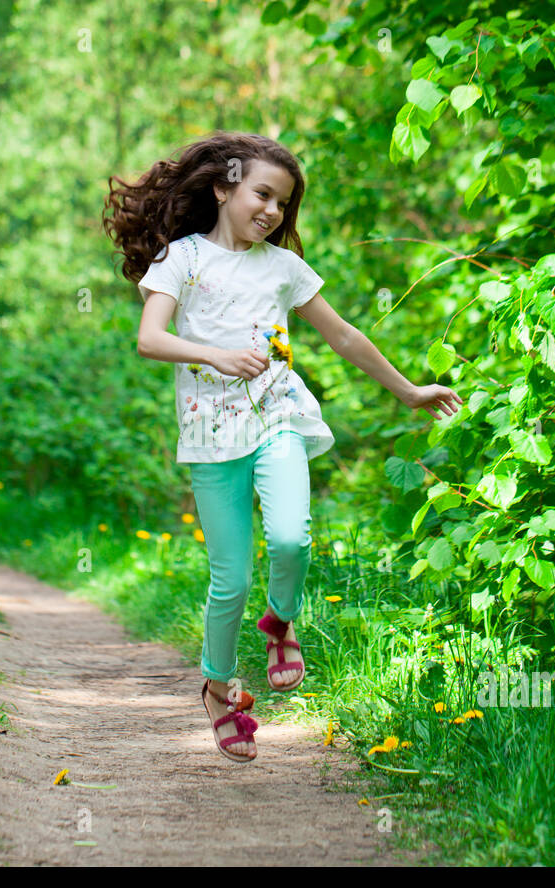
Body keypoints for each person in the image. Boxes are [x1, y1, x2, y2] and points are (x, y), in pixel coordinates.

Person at [102, 131, 461, 762]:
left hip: (278, 417)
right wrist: (216, 354)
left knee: (293, 537)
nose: (271, 211)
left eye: (283, 205)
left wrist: (407, 390)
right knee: (230, 580)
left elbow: (344, 336)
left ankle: (281, 622)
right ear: (223, 189)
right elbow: (150, 340)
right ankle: (217, 689)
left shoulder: (284, 268)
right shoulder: (181, 260)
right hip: (210, 436)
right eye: (262, 195)